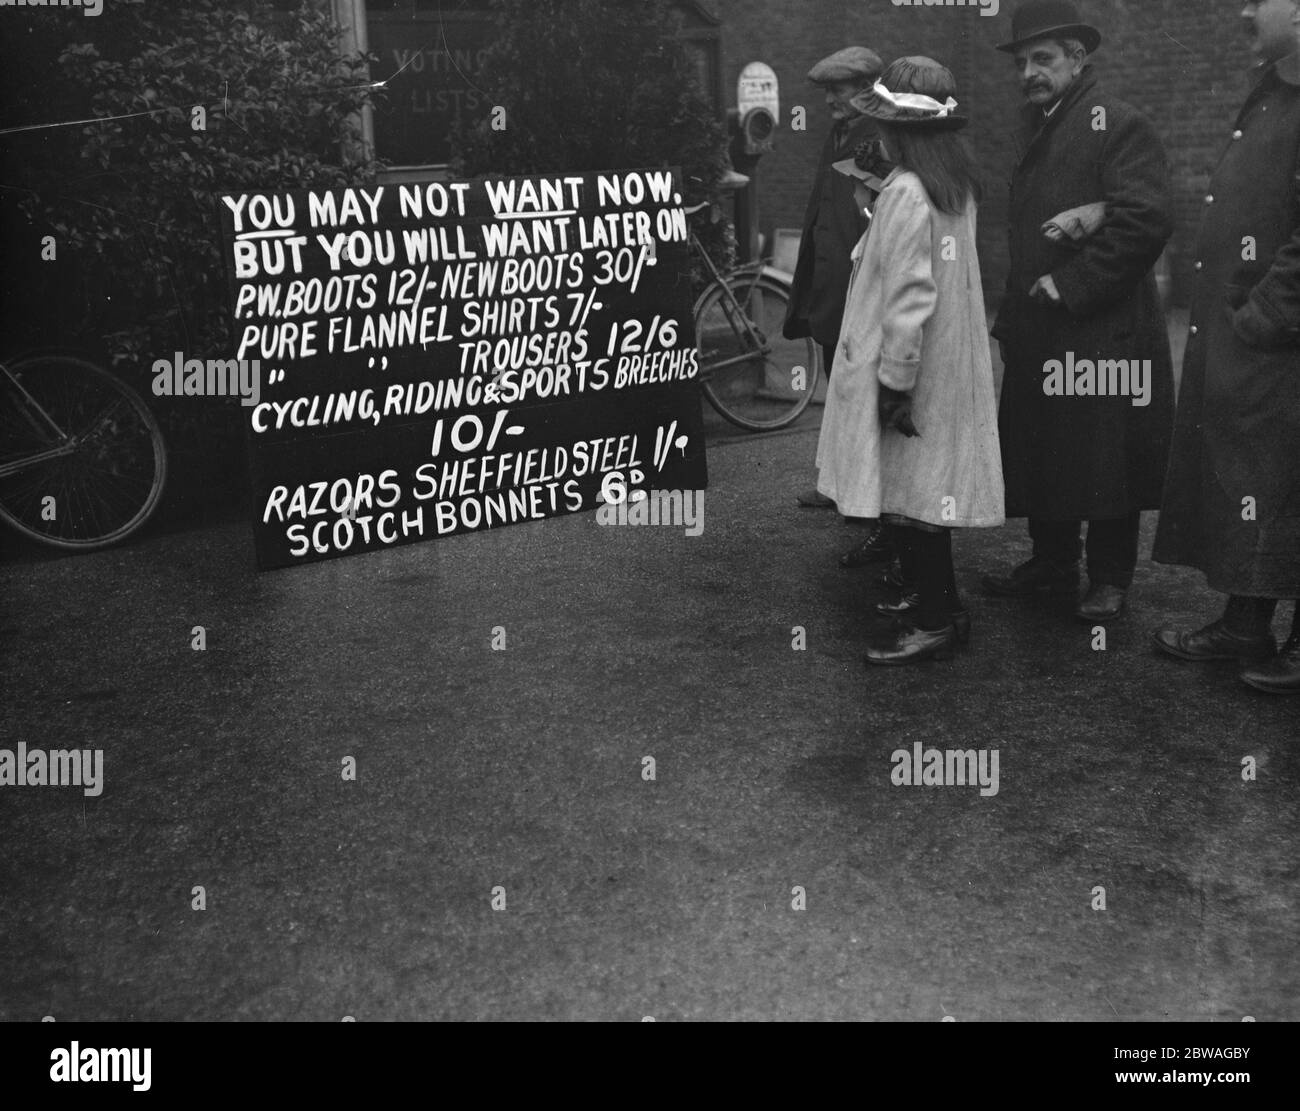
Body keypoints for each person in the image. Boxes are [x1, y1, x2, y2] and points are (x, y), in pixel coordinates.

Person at [981, 0, 1175, 623]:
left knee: (1105, 457)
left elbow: (1145, 218)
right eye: (1022, 62)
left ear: (1078, 58)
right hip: (1043, 327)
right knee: (1047, 445)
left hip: (1103, 330)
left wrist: (1073, 283)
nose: (1028, 73)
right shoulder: (1038, 124)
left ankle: (1111, 577)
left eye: (1043, 59)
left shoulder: (1115, 123)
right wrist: (1014, 317)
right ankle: (1053, 562)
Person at [815, 56, 1004, 666]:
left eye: (884, 123)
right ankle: (935, 604)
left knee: (917, 498)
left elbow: (908, 295)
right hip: (948, 363)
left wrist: (894, 382)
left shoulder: (906, 193)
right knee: (930, 490)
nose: (879, 134)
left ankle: (937, 621)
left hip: (913, 367)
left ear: (903, 130)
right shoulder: (951, 186)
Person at [1150, 0, 1300, 695]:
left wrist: (1266, 315)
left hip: (1279, 338)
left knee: (1285, 483)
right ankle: (1246, 620)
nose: (1243, 10)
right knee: (1261, 483)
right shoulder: (1276, 89)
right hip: (1257, 341)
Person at [785, 47, 896, 568]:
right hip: (831, 285)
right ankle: (838, 484)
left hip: (859, 287)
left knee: (863, 397)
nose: (830, 98)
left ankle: (870, 513)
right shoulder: (840, 133)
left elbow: (877, 217)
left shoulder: (876, 139)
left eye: (840, 88)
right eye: (827, 90)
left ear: (869, 87)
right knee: (839, 386)